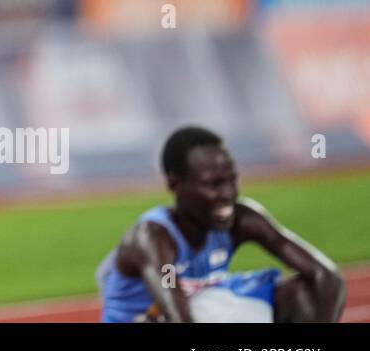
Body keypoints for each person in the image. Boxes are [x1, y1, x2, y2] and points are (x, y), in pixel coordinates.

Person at [96, 126, 346, 322]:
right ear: (175, 184)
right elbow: (175, 310)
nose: (228, 193)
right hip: (153, 317)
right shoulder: (154, 239)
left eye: (231, 180)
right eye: (213, 184)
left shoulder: (243, 220)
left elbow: (326, 276)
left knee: (301, 295)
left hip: (199, 303)